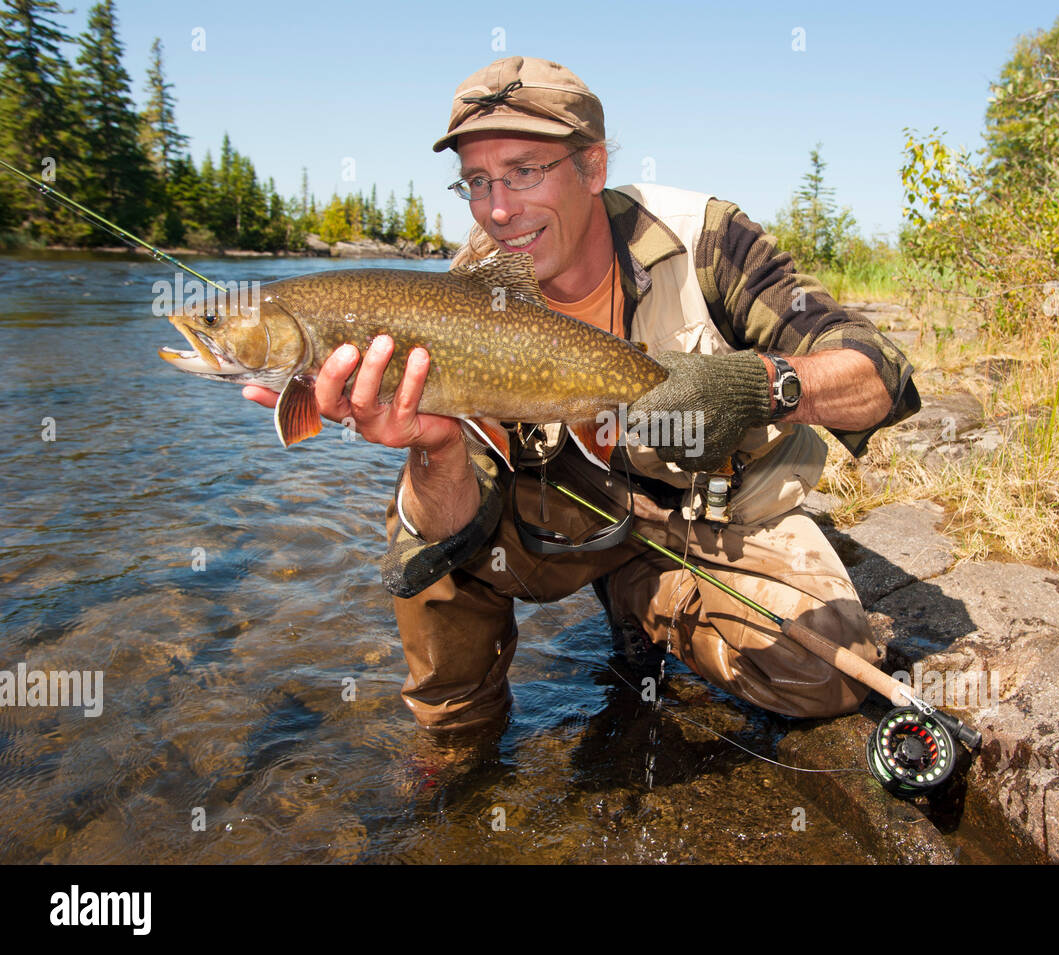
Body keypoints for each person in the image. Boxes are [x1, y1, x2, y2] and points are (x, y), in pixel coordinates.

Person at [245, 56, 920, 733]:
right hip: (572, 502)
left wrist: (760, 385)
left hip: (721, 510)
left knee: (824, 672)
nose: (499, 208)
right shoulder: (464, 295)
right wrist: (437, 449)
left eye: (525, 172)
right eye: (478, 181)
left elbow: (879, 374)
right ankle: (453, 753)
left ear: (593, 168)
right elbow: (455, 517)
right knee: (422, 541)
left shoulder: (707, 239)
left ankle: (643, 594)